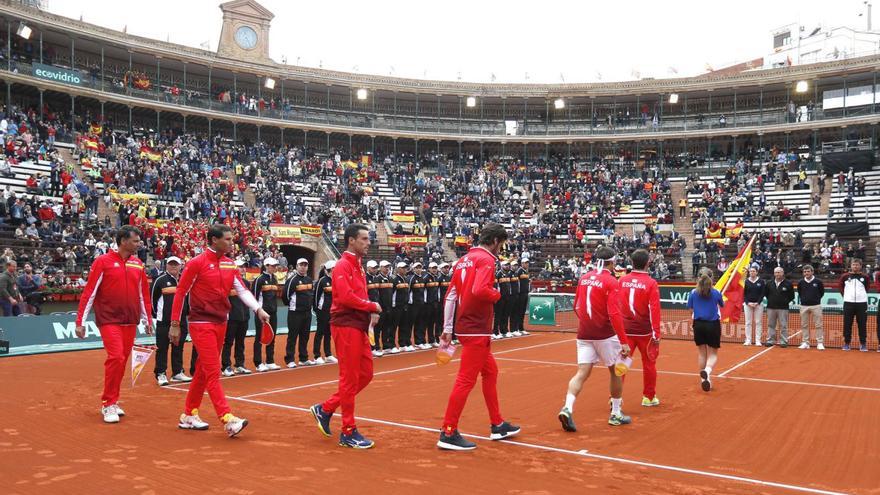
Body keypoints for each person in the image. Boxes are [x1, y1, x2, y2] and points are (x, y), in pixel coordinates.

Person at [169, 224, 270, 437]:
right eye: (228, 239)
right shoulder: (196, 263)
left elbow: (241, 289)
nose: (232, 242)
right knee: (213, 371)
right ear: (214, 240)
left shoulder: (229, 264)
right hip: (200, 322)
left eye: (232, 239)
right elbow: (180, 292)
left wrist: (258, 309)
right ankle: (227, 419)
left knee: (204, 371)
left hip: (221, 322)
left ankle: (189, 414)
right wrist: (175, 324)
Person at [437, 223, 520, 450]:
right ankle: (448, 431)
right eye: (500, 245)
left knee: (490, 372)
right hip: (477, 327)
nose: (500, 250)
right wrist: (497, 294)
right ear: (494, 241)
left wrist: (447, 327)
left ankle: (497, 423)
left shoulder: (463, 260)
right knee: (465, 380)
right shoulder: (487, 260)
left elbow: (451, 295)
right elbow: (480, 290)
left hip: (466, 326)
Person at [309, 224, 383, 449]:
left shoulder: (357, 266)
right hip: (345, 325)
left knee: (366, 374)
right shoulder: (343, 265)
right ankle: (348, 431)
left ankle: (326, 408)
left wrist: (369, 312)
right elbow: (345, 297)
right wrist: (371, 306)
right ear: (351, 240)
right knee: (350, 378)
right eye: (363, 238)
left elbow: (357, 295)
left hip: (357, 325)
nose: (368, 242)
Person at [75, 225, 154, 423]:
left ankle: (114, 400)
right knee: (116, 357)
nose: (139, 244)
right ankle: (108, 403)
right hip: (109, 319)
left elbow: (143, 294)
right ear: (123, 241)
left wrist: (147, 319)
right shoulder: (103, 262)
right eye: (135, 241)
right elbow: (90, 292)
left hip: (130, 321)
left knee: (121, 362)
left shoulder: (138, 264)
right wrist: (80, 322)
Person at [557, 246, 631, 433]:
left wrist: (586, 322)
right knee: (615, 372)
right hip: (605, 334)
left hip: (584, 333)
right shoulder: (612, 281)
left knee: (581, 373)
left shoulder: (583, 278)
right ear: (611, 262)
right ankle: (615, 413)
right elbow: (614, 313)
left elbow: (576, 305)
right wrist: (623, 340)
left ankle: (567, 407)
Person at [617, 249, 662, 407]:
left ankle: (614, 398)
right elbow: (654, 310)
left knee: (621, 363)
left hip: (625, 331)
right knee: (649, 364)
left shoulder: (622, 281)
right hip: (645, 332)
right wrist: (656, 334)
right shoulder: (651, 283)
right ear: (648, 263)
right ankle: (648, 397)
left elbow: (616, 305)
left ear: (632, 262)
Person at [151, 256, 196, 386]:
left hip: (181, 320)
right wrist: (159, 315)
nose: (173, 266)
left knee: (178, 347)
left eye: (176, 264)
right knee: (162, 348)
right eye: (171, 264)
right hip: (164, 321)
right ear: (166, 265)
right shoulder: (159, 280)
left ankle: (177, 372)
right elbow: (152, 301)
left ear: (181, 265)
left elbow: (188, 300)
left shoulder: (184, 280)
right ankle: (161, 373)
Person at [686, 268, 724, 392]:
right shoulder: (716, 292)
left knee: (702, 353)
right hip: (712, 324)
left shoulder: (692, 292)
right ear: (712, 278)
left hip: (698, 325)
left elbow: (690, 310)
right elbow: (721, 305)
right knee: (713, 353)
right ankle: (707, 371)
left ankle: (704, 380)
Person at [221, 260, 252, 376]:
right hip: (231, 318)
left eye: (244, 267)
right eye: (240, 267)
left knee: (240, 342)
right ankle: (226, 366)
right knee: (228, 342)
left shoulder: (246, 283)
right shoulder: (227, 282)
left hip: (244, 318)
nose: (243, 269)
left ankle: (239, 364)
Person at [283, 258, 314, 367]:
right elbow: (285, 297)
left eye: (305, 265)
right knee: (292, 336)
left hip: (307, 313)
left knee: (305, 336)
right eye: (301, 265)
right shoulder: (292, 280)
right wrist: (293, 306)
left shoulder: (309, 280)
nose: (303, 267)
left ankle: (303, 358)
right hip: (295, 313)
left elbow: (311, 295)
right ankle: (290, 359)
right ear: (296, 266)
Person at [252, 257, 281, 371]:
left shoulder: (274, 279)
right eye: (272, 266)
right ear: (266, 266)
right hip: (262, 314)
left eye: (275, 266)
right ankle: (258, 363)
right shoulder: (259, 280)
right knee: (259, 337)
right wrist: (259, 311)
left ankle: (270, 361)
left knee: (272, 336)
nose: (274, 268)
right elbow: (254, 298)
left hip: (273, 313)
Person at [840, 259, 870, 351]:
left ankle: (863, 344)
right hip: (848, 303)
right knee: (847, 324)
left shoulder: (865, 277)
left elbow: (867, 288)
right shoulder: (845, 276)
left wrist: (861, 296)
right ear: (851, 266)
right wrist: (846, 296)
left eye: (857, 265)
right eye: (854, 265)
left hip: (862, 304)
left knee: (862, 324)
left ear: (861, 266)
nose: (855, 266)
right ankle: (847, 343)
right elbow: (841, 287)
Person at [312, 260, 336, 364]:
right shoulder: (321, 281)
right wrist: (317, 310)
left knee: (328, 333)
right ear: (328, 270)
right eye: (332, 269)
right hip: (322, 311)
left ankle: (328, 354)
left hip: (332, 311)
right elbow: (316, 297)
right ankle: (317, 356)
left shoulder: (336, 281)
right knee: (320, 332)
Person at [764, 267, 794, 348]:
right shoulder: (769, 283)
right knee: (771, 325)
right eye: (776, 272)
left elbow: (792, 296)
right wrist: (772, 300)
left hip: (783, 308)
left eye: (779, 272)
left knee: (783, 325)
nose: (777, 274)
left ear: (782, 273)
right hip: (771, 307)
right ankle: (770, 340)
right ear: (774, 274)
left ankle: (783, 341)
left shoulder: (788, 284)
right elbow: (766, 294)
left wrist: (784, 301)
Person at [796, 265, 825, 350]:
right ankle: (805, 342)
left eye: (808, 271)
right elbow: (800, 292)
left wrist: (815, 299)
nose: (806, 273)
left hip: (816, 306)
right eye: (805, 272)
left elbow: (821, 293)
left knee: (818, 325)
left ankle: (820, 343)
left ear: (812, 272)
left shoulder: (818, 282)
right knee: (804, 325)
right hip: (804, 306)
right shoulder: (800, 282)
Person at [390, 262, 412, 352]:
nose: (405, 269)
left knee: (404, 325)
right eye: (403, 268)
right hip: (396, 307)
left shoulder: (406, 279)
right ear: (398, 269)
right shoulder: (394, 280)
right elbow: (392, 294)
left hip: (405, 306)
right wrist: (393, 305)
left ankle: (402, 344)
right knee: (393, 326)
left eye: (405, 268)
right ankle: (391, 344)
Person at [408, 261, 429, 349]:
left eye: (420, 267)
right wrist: (409, 303)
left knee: (420, 323)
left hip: (421, 304)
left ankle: (419, 341)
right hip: (413, 305)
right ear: (413, 269)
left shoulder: (422, 279)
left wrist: (424, 301)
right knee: (411, 323)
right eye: (417, 267)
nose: (419, 269)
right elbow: (408, 292)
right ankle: (409, 343)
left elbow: (424, 291)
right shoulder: (411, 278)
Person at [742, 266, 765, 346]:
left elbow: (762, 293)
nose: (752, 272)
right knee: (748, 322)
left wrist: (757, 302)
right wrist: (748, 303)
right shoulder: (746, 281)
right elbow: (743, 294)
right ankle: (748, 340)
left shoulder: (761, 281)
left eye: (754, 271)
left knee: (758, 322)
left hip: (758, 305)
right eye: (751, 271)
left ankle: (758, 340)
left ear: (757, 272)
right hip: (748, 305)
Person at [376, 260, 394, 353]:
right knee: (378, 328)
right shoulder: (377, 278)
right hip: (381, 308)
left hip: (389, 307)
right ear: (381, 267)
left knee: (387, 327)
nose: (387, 268)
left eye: (388, 266)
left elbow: (393, 293)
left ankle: (386, 346)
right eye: (385, 266)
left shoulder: (391, 279)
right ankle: (377, 346)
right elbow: (376, 294)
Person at [493, 260, 512, 339]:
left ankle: (504, 330)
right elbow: (497, 287)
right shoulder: (498, 274)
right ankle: (495, 332)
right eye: (505, 265)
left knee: (505, 314)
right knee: (498, 315)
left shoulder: (508, 274)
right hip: (500, 298)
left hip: (507, 297)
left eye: (508, 265)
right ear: (502, 266)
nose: (507, 266)